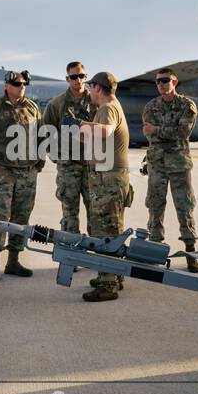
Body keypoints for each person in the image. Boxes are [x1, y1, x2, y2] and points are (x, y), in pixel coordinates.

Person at [0, 70, 44, 283]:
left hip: (27, 173)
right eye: (16, 83)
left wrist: (39, 163)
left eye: (24, 83)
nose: (21, 86)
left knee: (21, 217)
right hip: (3, 172)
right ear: (7, 85)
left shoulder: (32, 107)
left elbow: (41, 135)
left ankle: (13, 261)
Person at [141, 67, 198, 272]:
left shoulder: (187, 105)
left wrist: (158, 131)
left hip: (178, 167)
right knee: (155, 208)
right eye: (158, 81)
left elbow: (183, 132)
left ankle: (191, 254)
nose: (161, 84)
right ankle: (154, 251)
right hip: (157, 165)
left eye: (165, 80)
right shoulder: (150, 107)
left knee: (184, 208)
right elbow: (148, 135)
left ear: (174, 82)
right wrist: (165, 133)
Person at [79, 71, 131, 302]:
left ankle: (107, 284)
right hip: (110, 177)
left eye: (91, 87)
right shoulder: (113, 105)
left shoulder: (107, 107)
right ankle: (113, 275)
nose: (89, 91)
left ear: (98, 88)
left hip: (107, 179)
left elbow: (105, 132)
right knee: (113, 228)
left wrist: (79, 125)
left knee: (105, 231)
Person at [42, 60, 95, 234]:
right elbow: (46, 132)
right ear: (67, 78)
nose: (78, 80)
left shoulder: (96, 101)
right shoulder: (56, 104)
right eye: (74, 77)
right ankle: (70, 255)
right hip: (68, 167)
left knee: (96, 213)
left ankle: (96, 256)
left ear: (85, 77)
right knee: (69, 214)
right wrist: (57, 156)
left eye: (81, 76)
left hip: (92, 166)